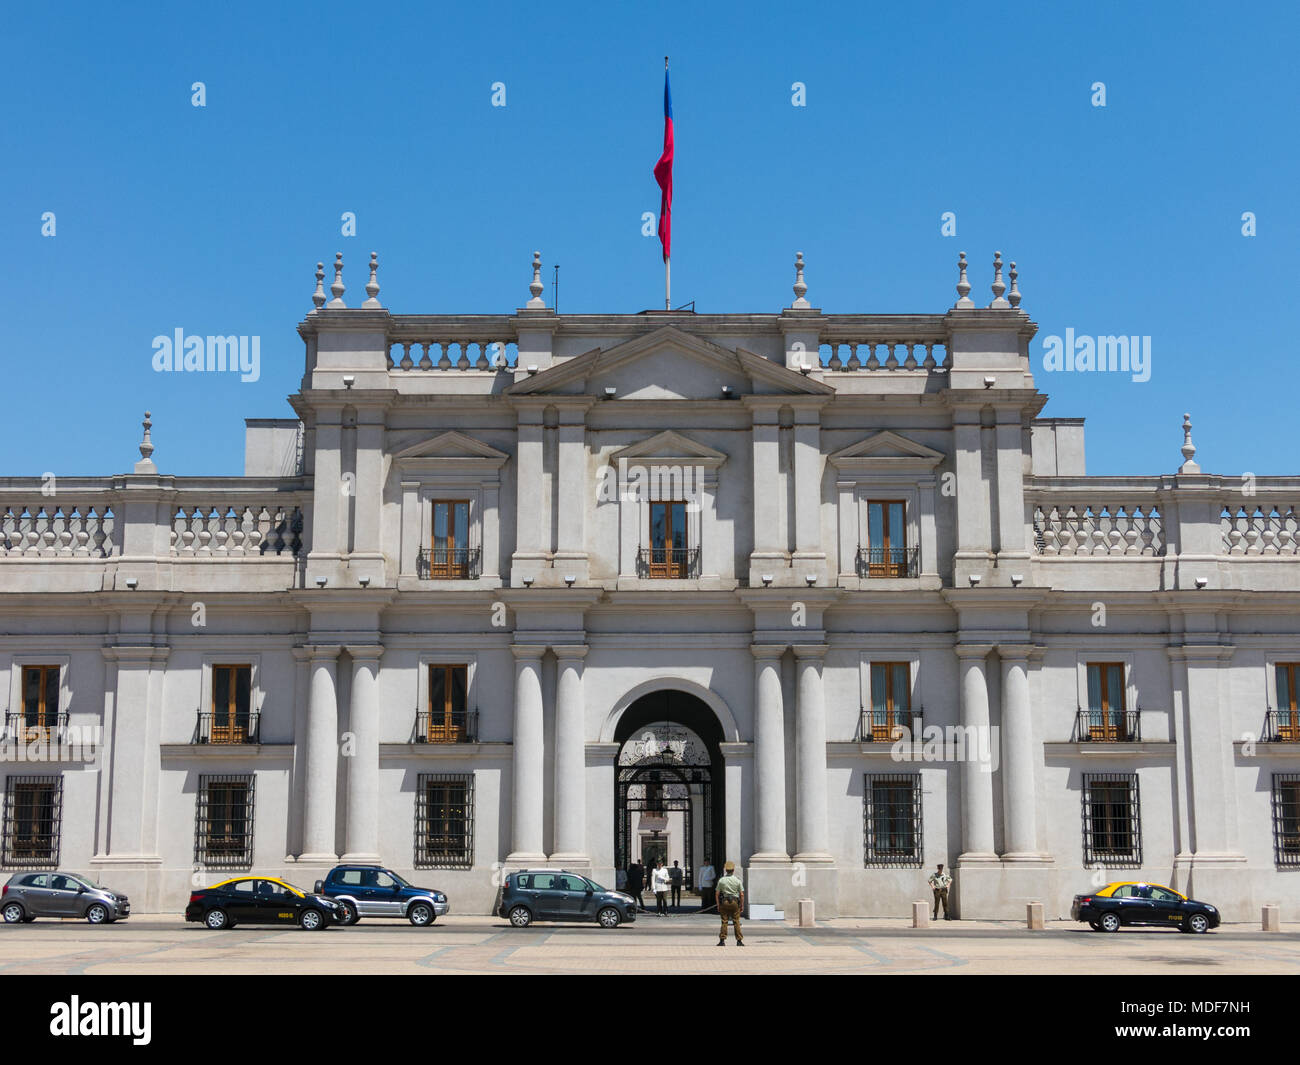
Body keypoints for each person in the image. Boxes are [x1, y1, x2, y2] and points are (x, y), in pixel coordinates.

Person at [715, 860, 744, 946]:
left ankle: (722, 940)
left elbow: (717, 893)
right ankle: (739, 940)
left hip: (725, 901)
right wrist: (741, 905)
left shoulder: (721, 880)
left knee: (724, 921)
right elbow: (741, 894)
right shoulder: (737, 880)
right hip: (735, 902)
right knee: (736, 921)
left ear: (726, 870)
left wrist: (718, 904)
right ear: (733, 870)